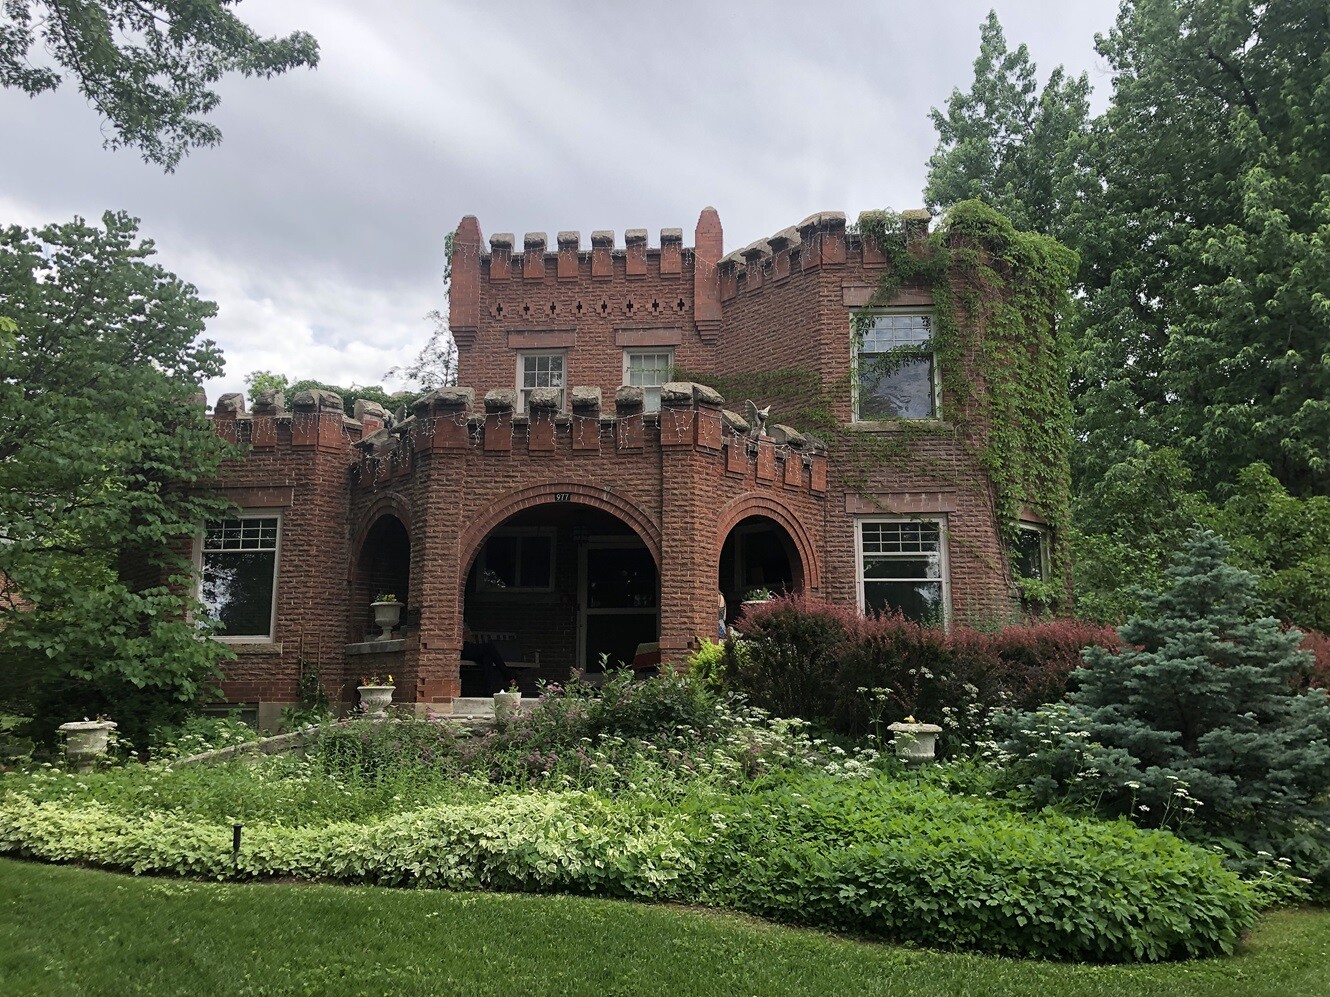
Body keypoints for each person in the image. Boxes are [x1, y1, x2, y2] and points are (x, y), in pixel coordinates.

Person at [462, 620, 516, 695]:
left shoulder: (463, 623)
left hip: (469, 648)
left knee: (487, 658)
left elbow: (471, 639)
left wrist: (466, 636)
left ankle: (487, 691)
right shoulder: (453, 622)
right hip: (462, 649)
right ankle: (508, 675)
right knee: (489, 647)